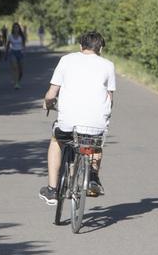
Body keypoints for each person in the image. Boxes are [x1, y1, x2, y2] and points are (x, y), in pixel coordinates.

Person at [39, 31, 115, 204]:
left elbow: (52, 94)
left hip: (69, 125)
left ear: (81, 47)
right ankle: (93, 177)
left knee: (56, 140)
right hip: (95, 125)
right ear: (100, 48)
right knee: (96, 142)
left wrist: (47, 104)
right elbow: (110, 99)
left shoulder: (66, 60)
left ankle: (52, 190)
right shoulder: (108, 65)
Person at [6, 22, 27, 89]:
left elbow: (24, 44)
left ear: (19, 28)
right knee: (15, 68)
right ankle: (16, 83)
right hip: (13, 52)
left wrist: (24, 51)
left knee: (21, 71)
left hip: (20, 52)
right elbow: (7, 45)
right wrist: (6, 54)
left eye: (17, 27)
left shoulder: (21, 36)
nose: (16, 29)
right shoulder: (10, 36)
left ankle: (17, 80)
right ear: (13, 29)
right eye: (15, 27)